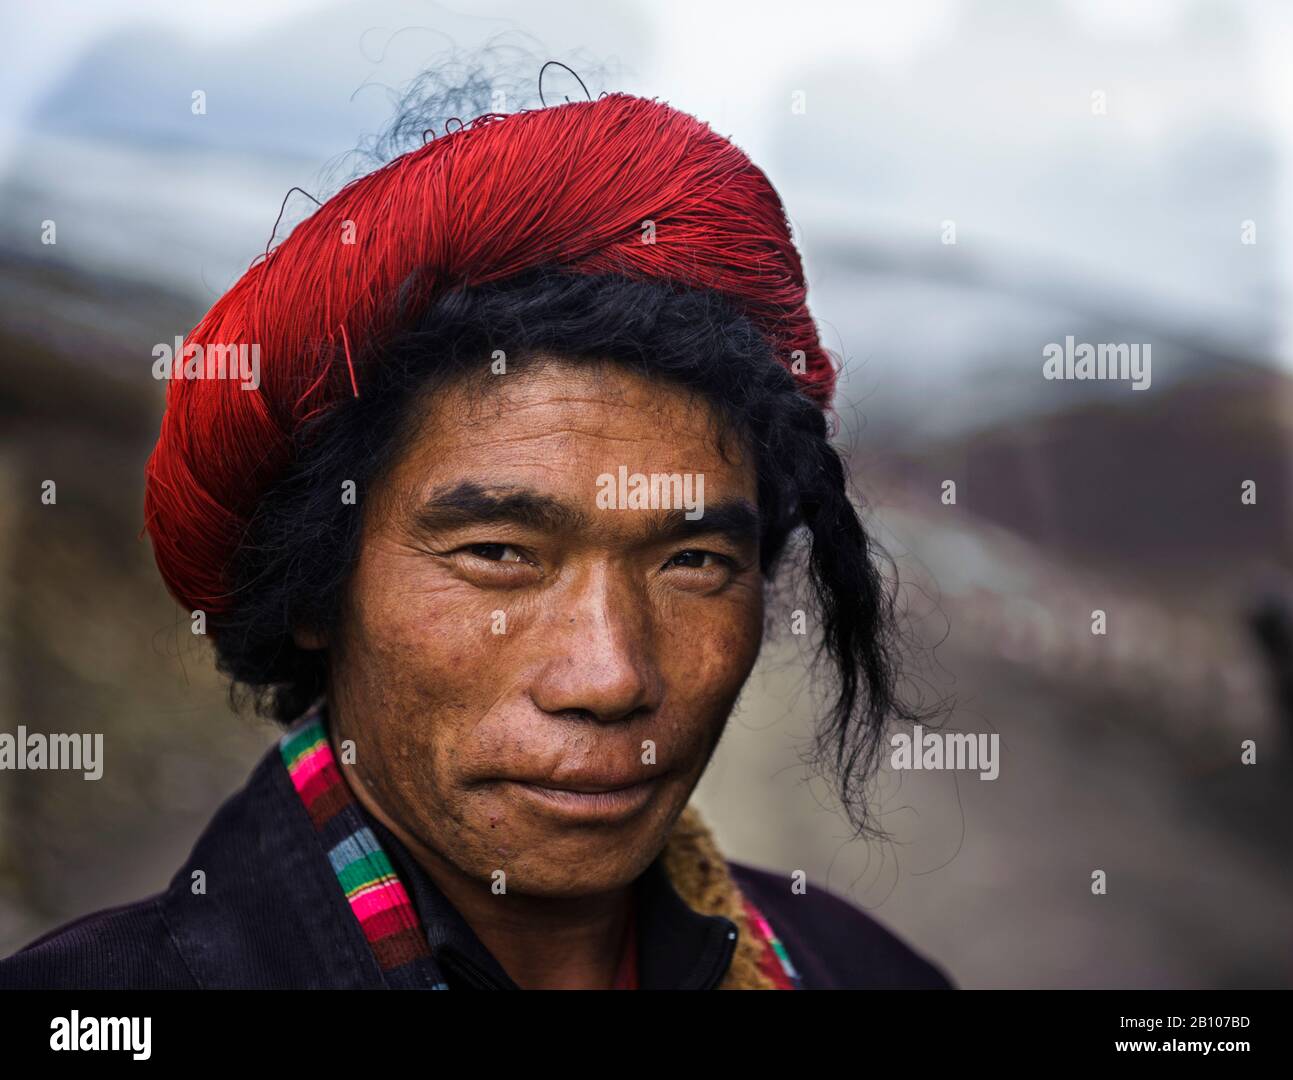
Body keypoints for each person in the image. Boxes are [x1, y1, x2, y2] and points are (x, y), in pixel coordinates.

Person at [0, 91, 952, 990]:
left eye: (693, 561)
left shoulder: (863, 974)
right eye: (499, 553)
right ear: (316, 588)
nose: (610, 678)